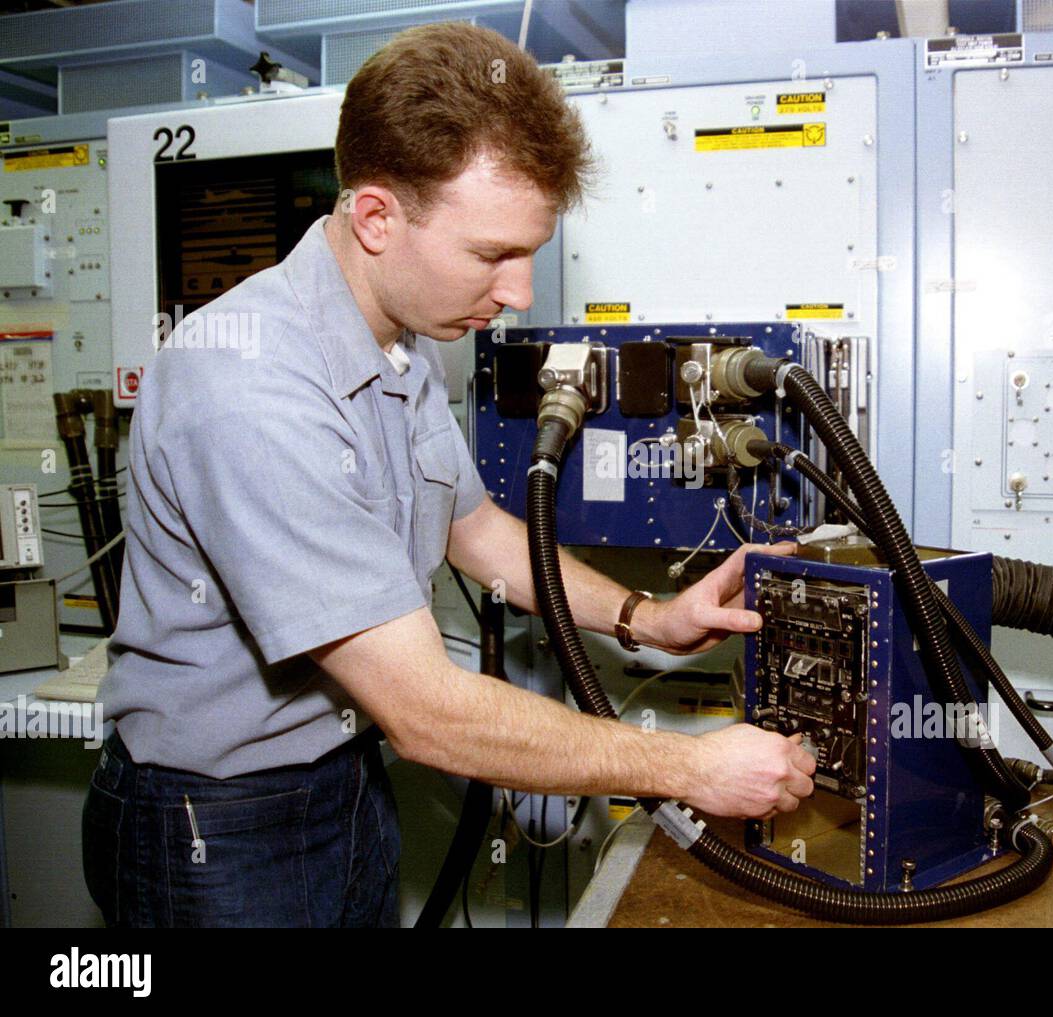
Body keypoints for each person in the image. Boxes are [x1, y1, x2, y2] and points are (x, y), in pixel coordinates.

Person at [84, 21, 814, 928]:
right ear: (378, 216)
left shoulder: (400, 342)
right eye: (492, 255)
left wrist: (649, 620)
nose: (518, 292)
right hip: (213, 826)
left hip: (345, 788)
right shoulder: (248, 384)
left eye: (531, 252)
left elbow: (476, 531)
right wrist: (689, 764)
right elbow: (427, 713)